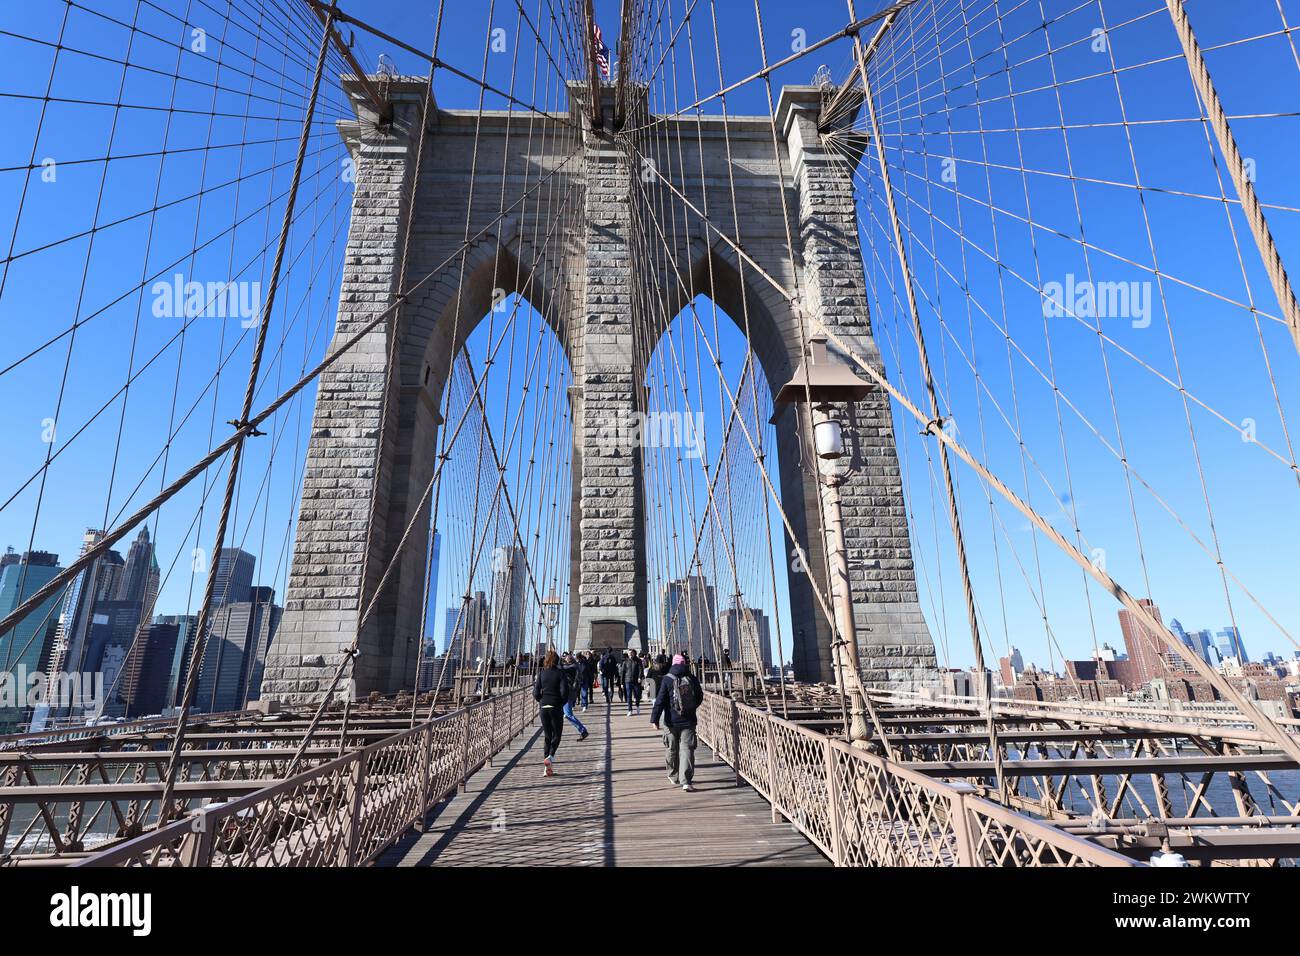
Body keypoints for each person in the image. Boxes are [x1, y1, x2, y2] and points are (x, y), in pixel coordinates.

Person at [650, 654, 703, 791]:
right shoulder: (691, 678)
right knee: (687, 750)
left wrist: (654, 719)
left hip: (671, 721)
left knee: (671, 748)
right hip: (689, 720)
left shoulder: (667, 679)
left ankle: (673, 776)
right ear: (684, 664)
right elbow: (699, 697)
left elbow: (660, 700)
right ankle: (686, 781)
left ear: (673, 664)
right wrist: (690, 708)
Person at [533, 649, 570, 776]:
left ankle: (546, 767)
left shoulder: (542, 674)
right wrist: (560, 703)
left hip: (544, 706)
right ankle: (550, 757)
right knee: (557, 735)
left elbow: (535, 693)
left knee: (547, 736)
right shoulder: (560, 674)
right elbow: (565, 692)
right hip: (555, 706)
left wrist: (541, 700)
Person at [559, 652, 589, 741]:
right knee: (564, 714)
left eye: (566, 659)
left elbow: (564, 669)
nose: (565, 660)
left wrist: (558, 663)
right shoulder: (575, 666)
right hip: (569, 692)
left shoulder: (573, 667)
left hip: (568, 693)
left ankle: (583, 730)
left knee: (568, 714)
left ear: (569, 660)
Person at [620, 650, 644, 717]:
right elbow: (622, 672)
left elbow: (640, 669)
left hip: (636, 681)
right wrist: (621, 682)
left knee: (637, 695)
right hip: (628, 680)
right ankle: (630, 710)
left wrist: (640, 677)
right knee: (629, 696)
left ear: (634, 654)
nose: (630, 654)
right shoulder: (625, 661)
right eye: (629, 653)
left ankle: (637, 705)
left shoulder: (638, 661)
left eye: (631, 653)